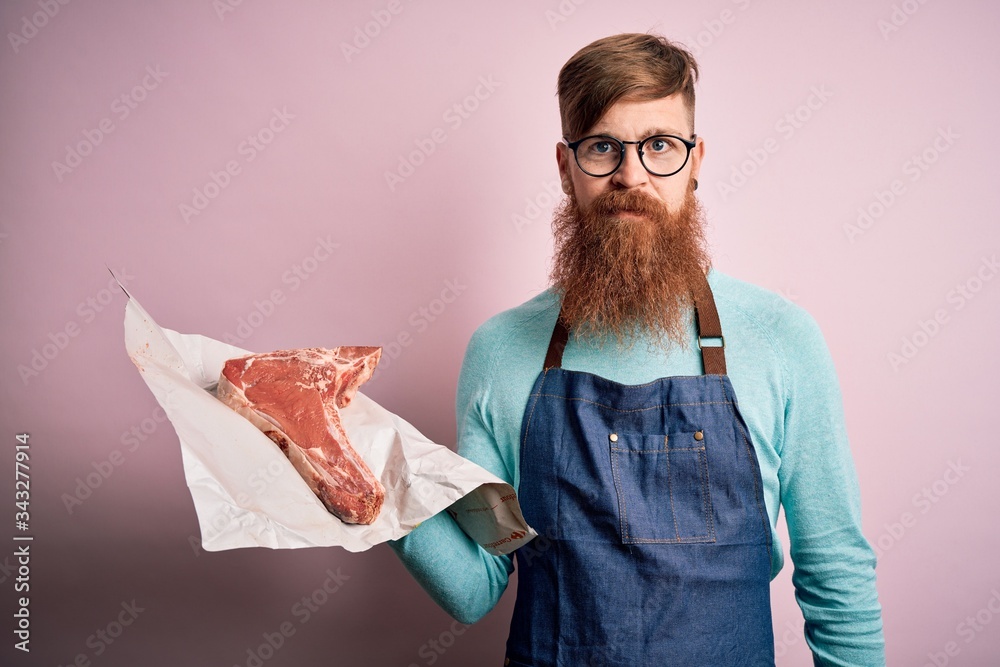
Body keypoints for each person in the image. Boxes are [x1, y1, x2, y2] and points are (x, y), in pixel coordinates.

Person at [389, 33, 885, 666]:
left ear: (696, 159)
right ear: (566, 168)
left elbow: (835, 571)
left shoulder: (779, 338)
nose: (632, 175)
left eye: (659, 145)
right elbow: (475, 586)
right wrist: (373, 484)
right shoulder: (501, 351)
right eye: (602, 147)